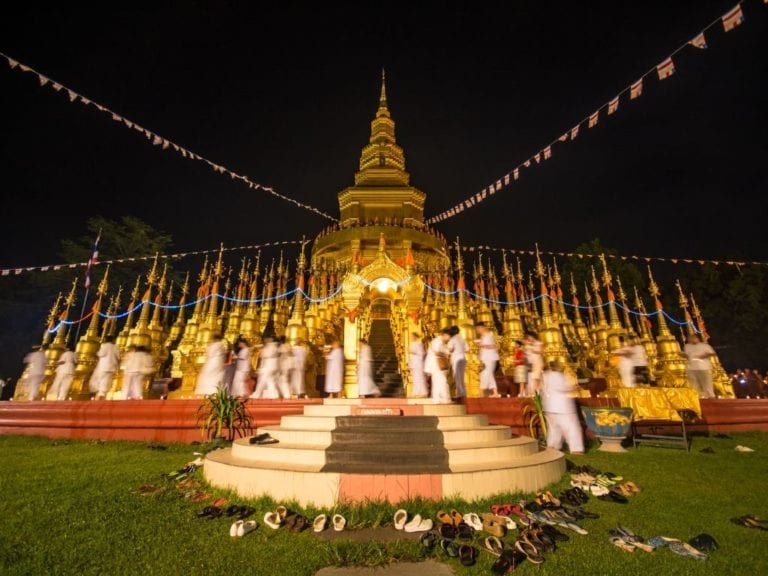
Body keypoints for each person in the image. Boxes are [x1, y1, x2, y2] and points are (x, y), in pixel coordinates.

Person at [542, 360, 584, 455]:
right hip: (562, 406)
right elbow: (563, 387)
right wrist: (574, 387)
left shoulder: (545, 375)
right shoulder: (558, 376)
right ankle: (576, 448)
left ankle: (553, 446)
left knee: (554, 428)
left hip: (550, 406)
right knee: (571, 427)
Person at [684, 333, 716, 398]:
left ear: (697, 338)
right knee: (694, 384)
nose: (690, 339)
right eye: (689, 338)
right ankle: (699, 397)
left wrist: (703, 356)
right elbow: (687, 355)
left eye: (692, 338)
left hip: (703, 367)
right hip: (692, 368)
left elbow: (712, 353)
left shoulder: (704, 346)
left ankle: (710, 397)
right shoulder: (687, 346)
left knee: (706, 383)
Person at [424, 328, 452, 404]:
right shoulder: (437, 341)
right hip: (436, 364)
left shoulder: (442, 342)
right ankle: (443, 398)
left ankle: (438, 398)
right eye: (449, 336)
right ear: (445, 335)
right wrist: (446, 354)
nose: (449, 339)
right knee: (441, 381)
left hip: (438, 364)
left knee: (438, 381)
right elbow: (436, 352)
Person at [89, 335, 119, 400]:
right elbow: (118, 356)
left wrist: (96, 353)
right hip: (112, 366)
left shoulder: (105, 346)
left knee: (101, 379)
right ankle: (103, 393)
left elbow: (101, 354)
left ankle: (101, 394)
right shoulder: (115, 347)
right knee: (107, 380)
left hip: (104, 366)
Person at [476, 322, 500, 398]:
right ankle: (495, 392)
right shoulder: (483, 337)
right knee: (487, 374)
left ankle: (482, 392)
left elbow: (495, 346)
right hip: (485, 359)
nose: (477, 331)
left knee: (486, 374)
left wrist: (483, 345)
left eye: (478, 329)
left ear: (482, 328)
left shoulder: (490, 335)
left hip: (490, 358)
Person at [449, 326, 467, 399]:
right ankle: (463, 392)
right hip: (462, 358)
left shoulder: (452, 339)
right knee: (461, 376)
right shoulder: (462, 339)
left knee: (457, 376)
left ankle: (460, 393)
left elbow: (450, 349)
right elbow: (467, 349)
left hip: (456, 359)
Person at [524, 331, 544, 396]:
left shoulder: (538, 343)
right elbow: (526, 354)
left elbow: (540, 351)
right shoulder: (528, 345)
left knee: (536, 377)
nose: (529, 338)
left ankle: (535, 392)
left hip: (538, 362)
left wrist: (532, 347)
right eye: (528, 337)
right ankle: (533, 391)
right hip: (531, 362)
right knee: (532, 377)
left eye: (530, 337)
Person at [408, 332, 428, 398]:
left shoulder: (419, 344)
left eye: (412, 336)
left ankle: (423, 392)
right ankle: (415, 392)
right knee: (415, 379)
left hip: (418, 363)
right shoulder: (411, 344)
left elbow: (422, 353)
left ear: (415, 337)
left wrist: (414, 352)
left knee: (420, 378)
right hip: (414, 363)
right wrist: (410, 365)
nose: (411, 338)